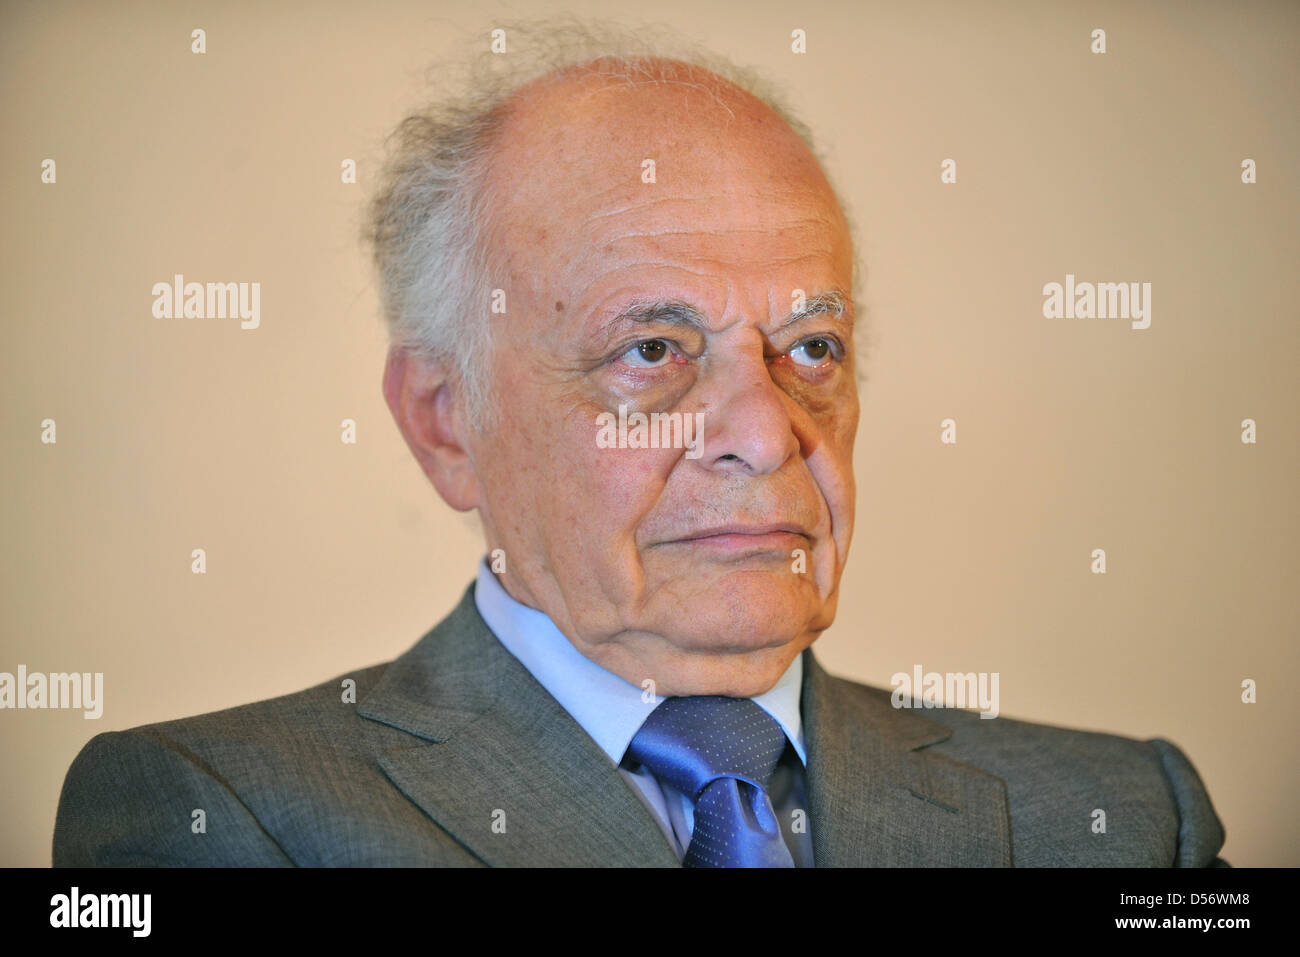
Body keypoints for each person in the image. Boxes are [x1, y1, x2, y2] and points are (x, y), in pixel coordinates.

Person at [53, 22, 1226, 867]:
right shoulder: (221, 813)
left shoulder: (1128, 817)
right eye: (653, 352)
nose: (766, 432)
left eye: (811, 347)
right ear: (445, 422)